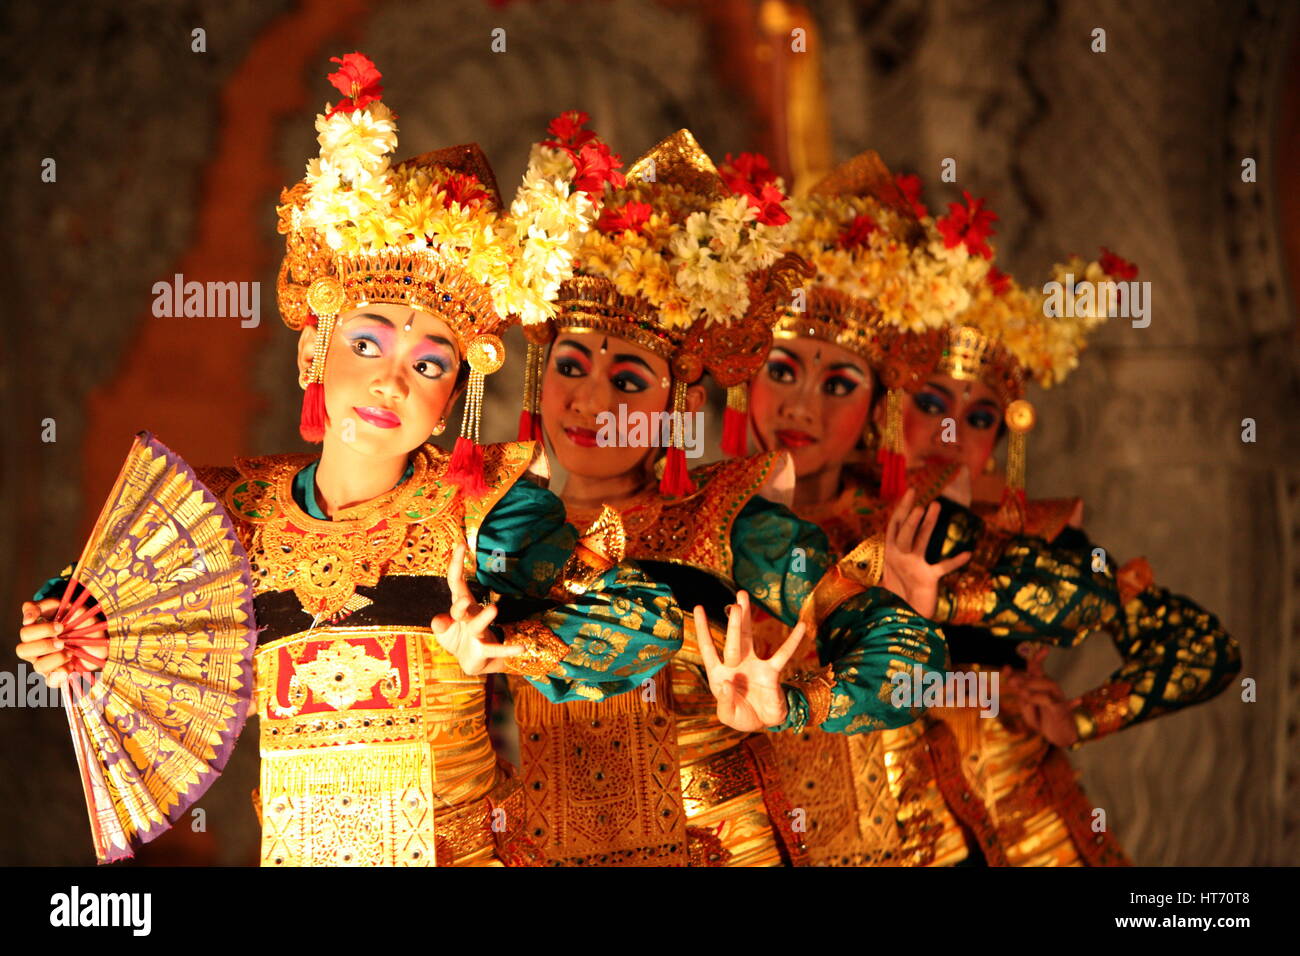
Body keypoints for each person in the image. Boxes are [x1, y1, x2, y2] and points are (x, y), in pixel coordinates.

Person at [15, 54, 682, 867]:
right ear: (315, 349)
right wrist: (64, 620)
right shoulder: (234, 516)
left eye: (430, 364)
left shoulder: (483, 514)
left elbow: (646, 622)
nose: (389, 380)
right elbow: (121, 609)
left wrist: (513, 641)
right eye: (367, 342)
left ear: (453, 400)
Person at [750, 153, 1241, 865]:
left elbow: (1197, 646)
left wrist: (1079, 715)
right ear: (888, 410)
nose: (949, 434)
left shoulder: (1019, 537)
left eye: (978, 419)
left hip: (1016, 833)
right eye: (931, 406)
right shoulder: (796, 520)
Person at [508, 131, 950, 866]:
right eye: (572, 365)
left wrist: (794, 704)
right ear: (538, 374)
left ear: (676, 399)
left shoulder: (728, 521)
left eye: (626, 381)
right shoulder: (491, 520)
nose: (589, 401)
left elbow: (907, 651)